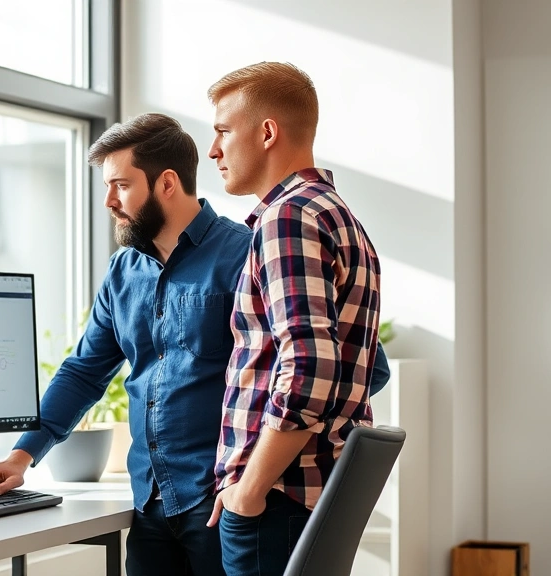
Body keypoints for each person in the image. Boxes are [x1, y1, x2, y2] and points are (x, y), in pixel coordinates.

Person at [0, 112, 389, 576]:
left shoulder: (247, 250)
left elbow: (361, 366)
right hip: (150, 503)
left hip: (228, 502)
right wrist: (22, 457)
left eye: (121, 185)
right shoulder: (123, 273)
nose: (108, 201)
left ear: (165, 183)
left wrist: (263, 473)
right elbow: (83, 372)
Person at [203, 62, 384, 576]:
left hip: (276, 499)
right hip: (301, 497)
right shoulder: (336, 215)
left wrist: (249, 489)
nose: (213, 150)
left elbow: (310, 366)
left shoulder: (289, 218)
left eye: (221, 131)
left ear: (267, 132)